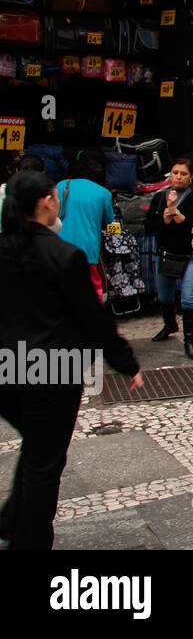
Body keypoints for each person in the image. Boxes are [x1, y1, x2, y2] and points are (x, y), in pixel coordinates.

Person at [0, 171, 142, 549]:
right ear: (47, 201)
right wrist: (126, 362)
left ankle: (12, 519)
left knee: (37, 447)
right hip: (50, 373)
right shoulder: (65, 255)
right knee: (46, 462)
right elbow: (92, 319)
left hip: (5, 369)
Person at [145, 157, 193, 359]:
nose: (178, 177)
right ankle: (169, 325)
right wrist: (164, 219)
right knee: (164, 296)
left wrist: (173, 210)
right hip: (166, 254)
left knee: (189, 298)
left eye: (183, 174)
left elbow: (190, 225)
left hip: (191, 255)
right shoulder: (159, 196)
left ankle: (190, 342)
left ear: (192, 177)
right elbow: (150, 225)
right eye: (175, 173)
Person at [54, 151, 114, 302]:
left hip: (59, 247)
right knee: (91, 288)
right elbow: (109, 222)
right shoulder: (103, 193)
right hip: (87, 248)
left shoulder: (61, 185)